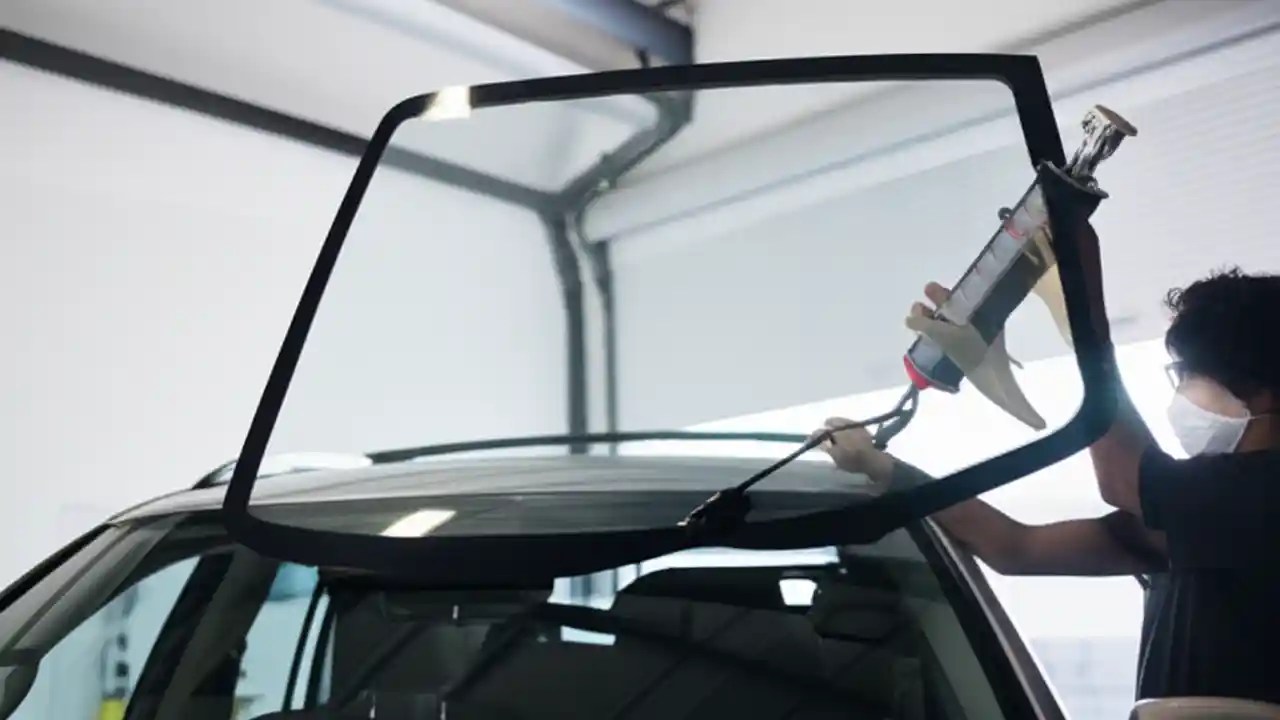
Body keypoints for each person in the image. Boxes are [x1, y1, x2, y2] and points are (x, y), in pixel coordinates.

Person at [816, 266, 1280, 704]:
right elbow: (1015, 547)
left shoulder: (1255, 497)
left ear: (1261, 385)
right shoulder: (1194, 528)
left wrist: (1081, 314)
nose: (1183, 392)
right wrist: (887, 469)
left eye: (1189, 373)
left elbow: (1122, 478)